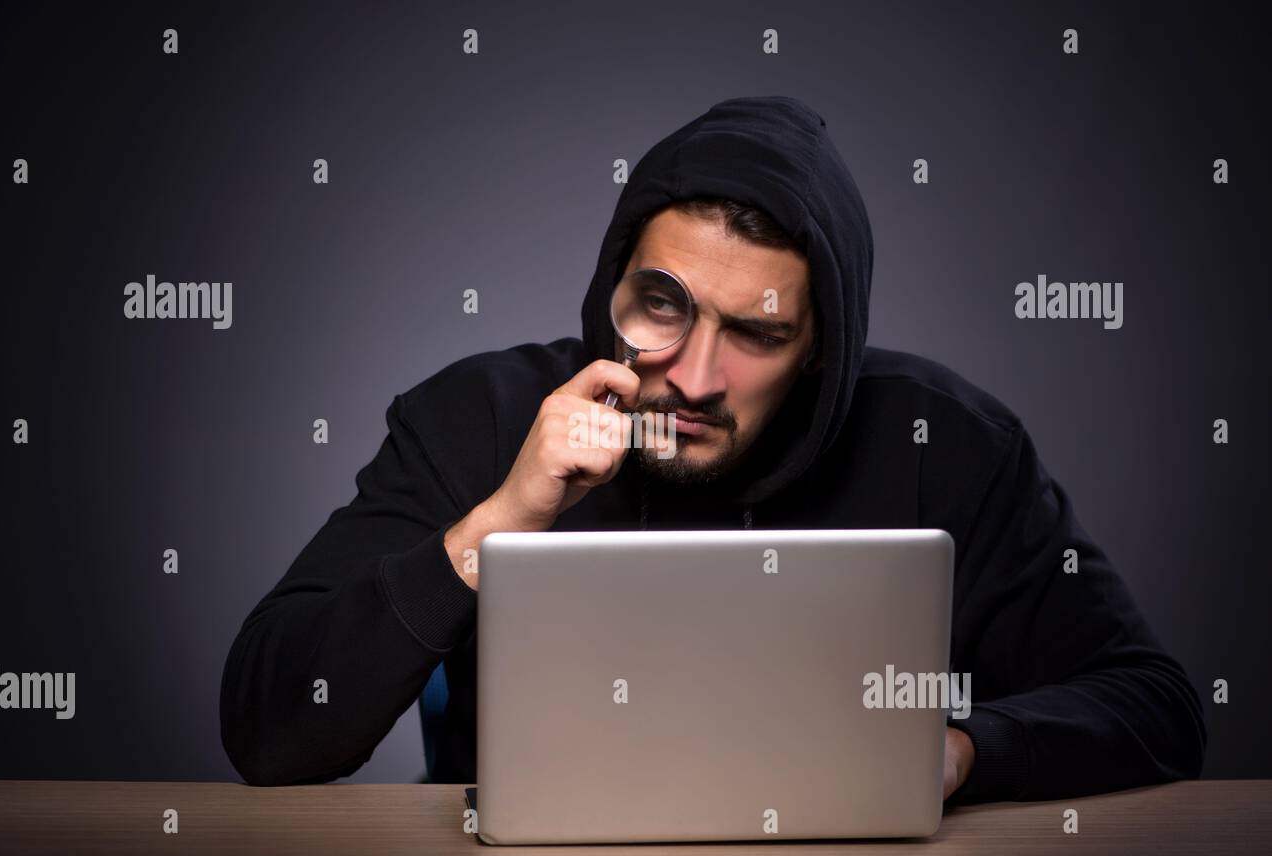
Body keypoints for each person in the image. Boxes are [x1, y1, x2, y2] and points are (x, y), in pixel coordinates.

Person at [219, 95, 1206, 803]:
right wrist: (496, 525)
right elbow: (267, 731)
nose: (691, 376)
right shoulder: (476, 418)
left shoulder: (945, 443)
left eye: (757, 333)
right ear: (613, 283)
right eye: (661, 307)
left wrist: (958, 752)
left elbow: (1157, 706)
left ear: (821, 351)